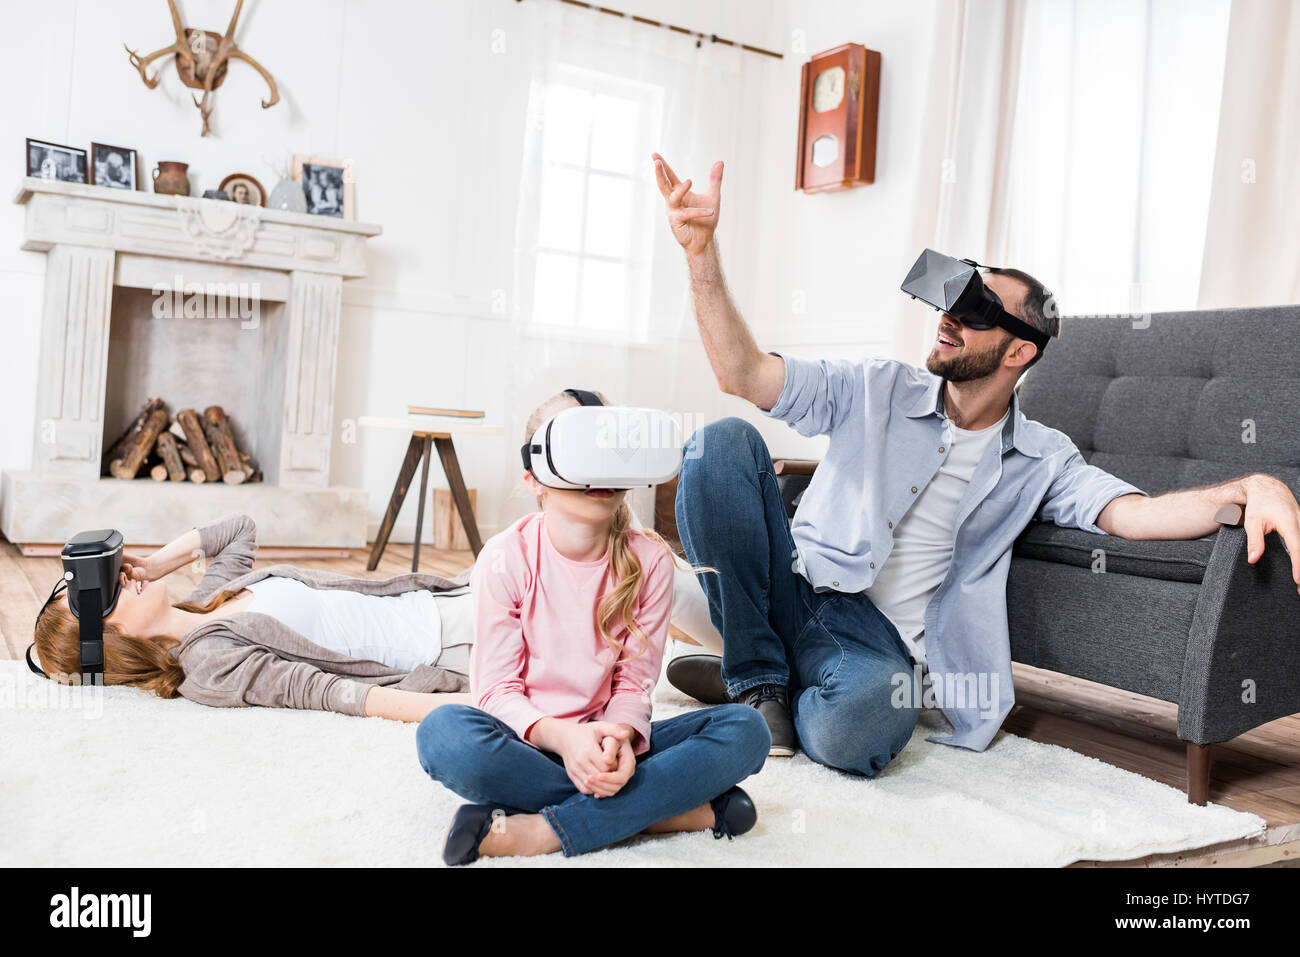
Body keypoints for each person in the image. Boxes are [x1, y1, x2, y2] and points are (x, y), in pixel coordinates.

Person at [652, 151, 1300, 774]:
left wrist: (1254, 485)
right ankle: (761, 676)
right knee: (719, 443)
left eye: (973, 311)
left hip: (871, 644)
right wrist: (701, 253)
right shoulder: (875, 387)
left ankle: (755, 664)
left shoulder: (1043, 457)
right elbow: (741, 372)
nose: (946, 319)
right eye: (949, 301)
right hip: (797, 578)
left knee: (866, 726)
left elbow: (1133, 515)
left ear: (1018, 353)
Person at [415, 391, 770, 865]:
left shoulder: (649, 561)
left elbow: (635, 683)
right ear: (534, 477)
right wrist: (564, 740)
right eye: (580, 451)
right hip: (531, 745)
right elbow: (497, 690)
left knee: (747, 728)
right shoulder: (506, 556)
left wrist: (619, 737)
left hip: (613, 749)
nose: (597, 473)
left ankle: (544, 830)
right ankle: (666, 813)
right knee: (442, 733)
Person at [31, 514, 474, 723]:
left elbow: (240, 530)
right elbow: (326, 692)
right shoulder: (208, 662)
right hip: (454, 646)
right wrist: (468, 707)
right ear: (116, 638)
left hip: (445, 596)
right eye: (110, 593)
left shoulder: (205, 603)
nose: (123, 579)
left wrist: (154, 564)